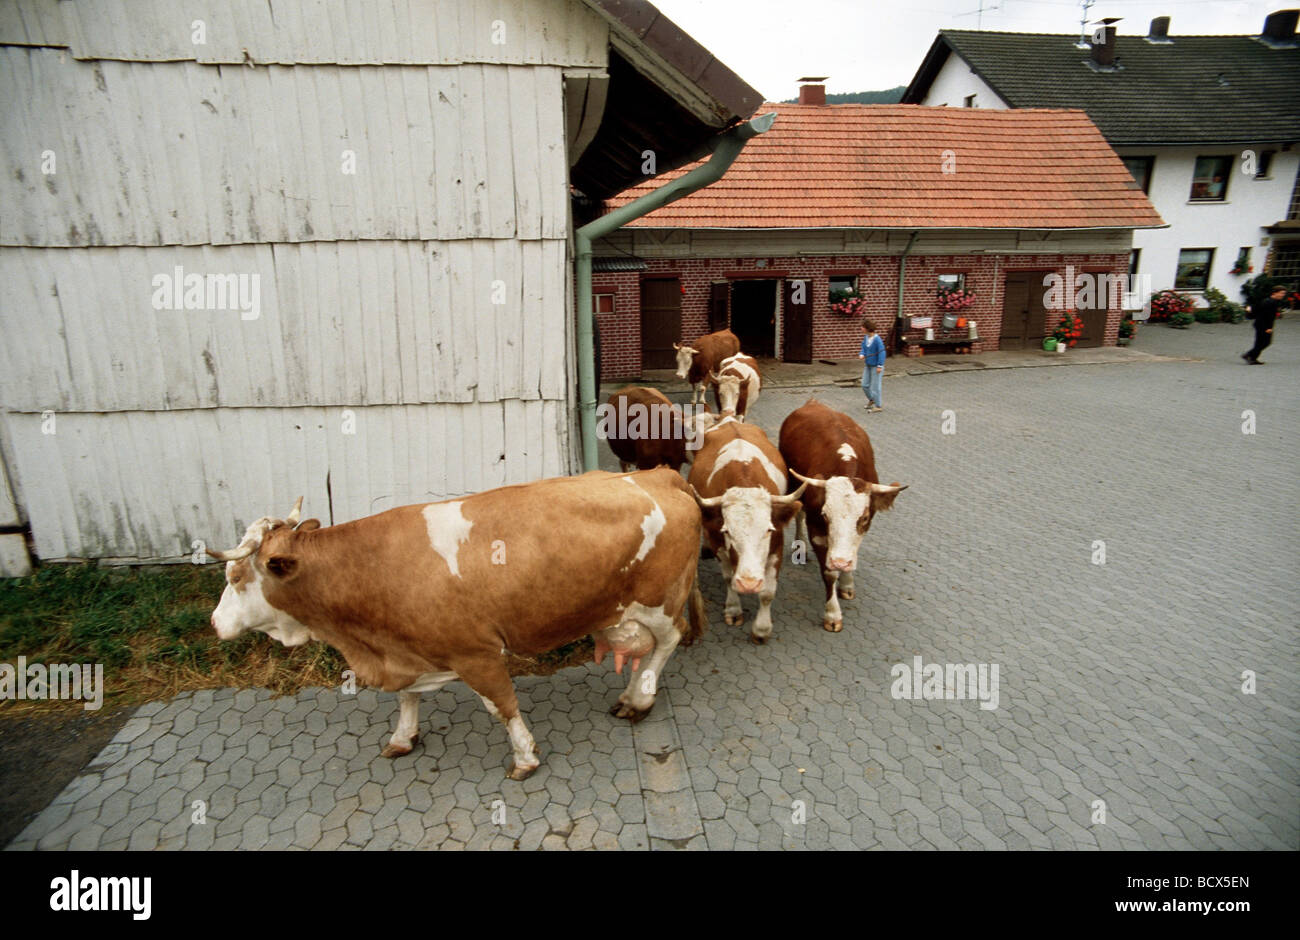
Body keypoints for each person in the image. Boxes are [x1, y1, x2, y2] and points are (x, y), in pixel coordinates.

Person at [1243, 284, 1287, 364]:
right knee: (1265, 342)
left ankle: (1252, 358)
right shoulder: (1269, 302)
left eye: (1283, 293)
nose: (1283, 295)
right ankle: (1249, 355)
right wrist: (1268, 328)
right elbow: (1265, 316)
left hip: (1261, 324)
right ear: (1274, 293)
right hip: (1262, 325)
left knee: (1261, 342)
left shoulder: (1272, 301)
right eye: (1281, 293)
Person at [858, 318, 886, 412]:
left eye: (862, 327)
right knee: (864, 385)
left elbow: (882, 353)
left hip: (876, 367)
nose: (861, 328)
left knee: (875, 387)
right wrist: (862, 354)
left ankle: (878, 406)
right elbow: (863, 347)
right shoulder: (866, 338)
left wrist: (880, 365)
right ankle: (872, 400)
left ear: (867, 328)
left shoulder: (877, 339)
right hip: (868, 365)